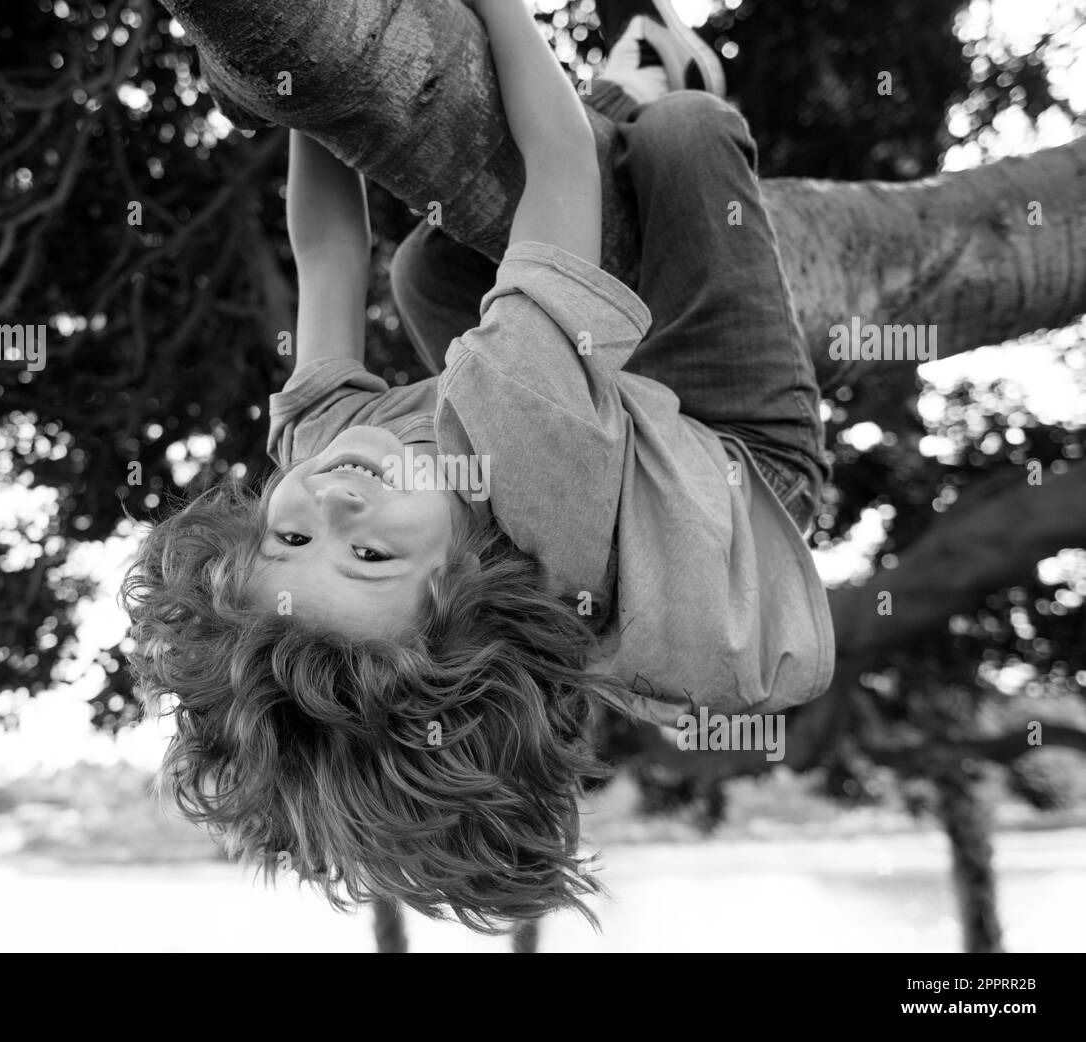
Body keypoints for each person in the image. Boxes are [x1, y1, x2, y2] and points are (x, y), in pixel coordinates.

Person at [121, 0, 834, 934]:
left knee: (426, 269)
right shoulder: (522, 442)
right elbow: (560, 165)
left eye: (290, 537)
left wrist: (309, 93)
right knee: (683, 141)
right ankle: (660, 79)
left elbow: (329, 256)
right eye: (371, 558)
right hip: (739, 473)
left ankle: (621, 85)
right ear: (471, 593)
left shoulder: (324, 455)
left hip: (607, 458)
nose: (336, 504)